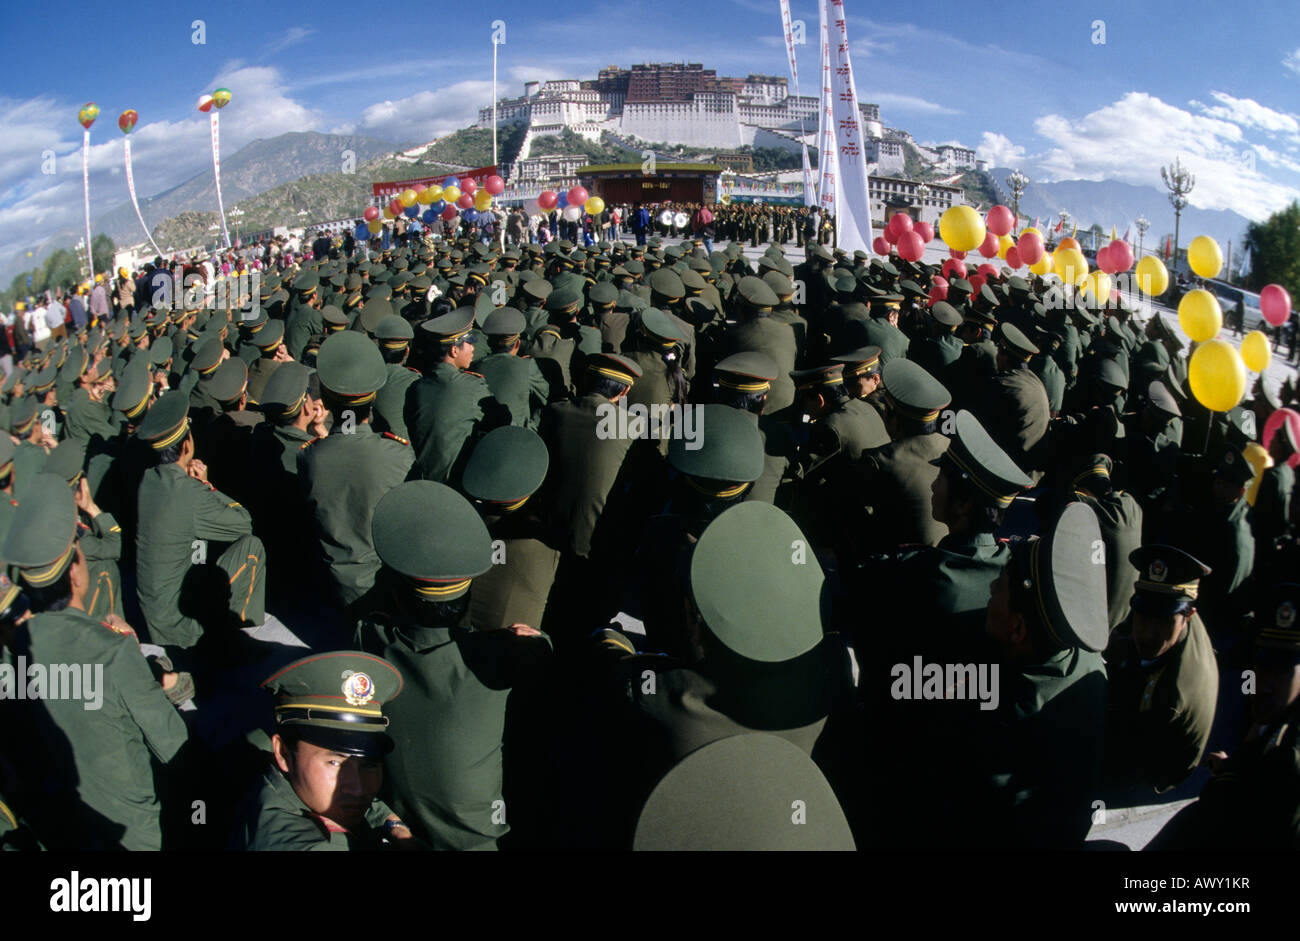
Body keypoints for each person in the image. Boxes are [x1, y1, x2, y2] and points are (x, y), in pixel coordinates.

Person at [355, 480, 551, 849]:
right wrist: (534, 640)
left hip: (397, 825)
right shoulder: (503, 654)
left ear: (397, 590)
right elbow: (543, 656)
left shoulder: (367, 637)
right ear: (467, 592)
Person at [2, 474, 189, 851]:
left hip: (56, 826)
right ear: (75, 571)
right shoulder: (112, 650)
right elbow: (173, 746)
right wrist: (134, 654)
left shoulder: (14, 650)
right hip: (130, 835)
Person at [239, 650, 415, 851]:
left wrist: (393, 824)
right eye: (334, 762)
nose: (358, 789)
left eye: (369, 764)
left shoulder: (298, 785)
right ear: (283, 754)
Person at [1102, 545, 1218, 794]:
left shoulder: (1169, 696)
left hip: (1151, 775)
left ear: (1188, 616)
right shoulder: (1185, 619)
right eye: (1142, 616)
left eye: (1163, 622)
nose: (1148, 634)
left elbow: (1122, 745)